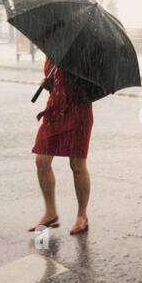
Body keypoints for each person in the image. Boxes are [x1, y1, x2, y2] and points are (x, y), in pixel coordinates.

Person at [30, 57, 93, 235]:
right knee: (41, 161)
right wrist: (49, 84)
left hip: (79, 110)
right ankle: (50, 213)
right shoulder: (54, 52)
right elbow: (55, 84)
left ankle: (82, 215)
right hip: (54, 110)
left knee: (77, 165)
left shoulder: (84, 53)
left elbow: (93, 87)